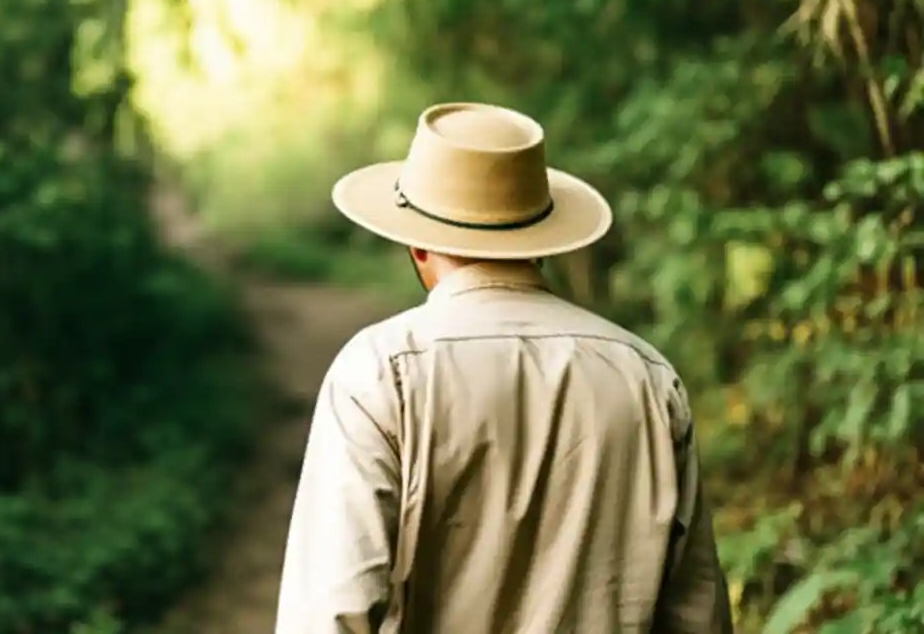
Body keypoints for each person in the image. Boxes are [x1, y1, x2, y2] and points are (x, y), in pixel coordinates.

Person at [275, 103, 733, 633]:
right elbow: (697, 615)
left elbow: (330, 614)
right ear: (542, 239)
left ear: (416, 242)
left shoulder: (381, 373)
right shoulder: (646, 376)